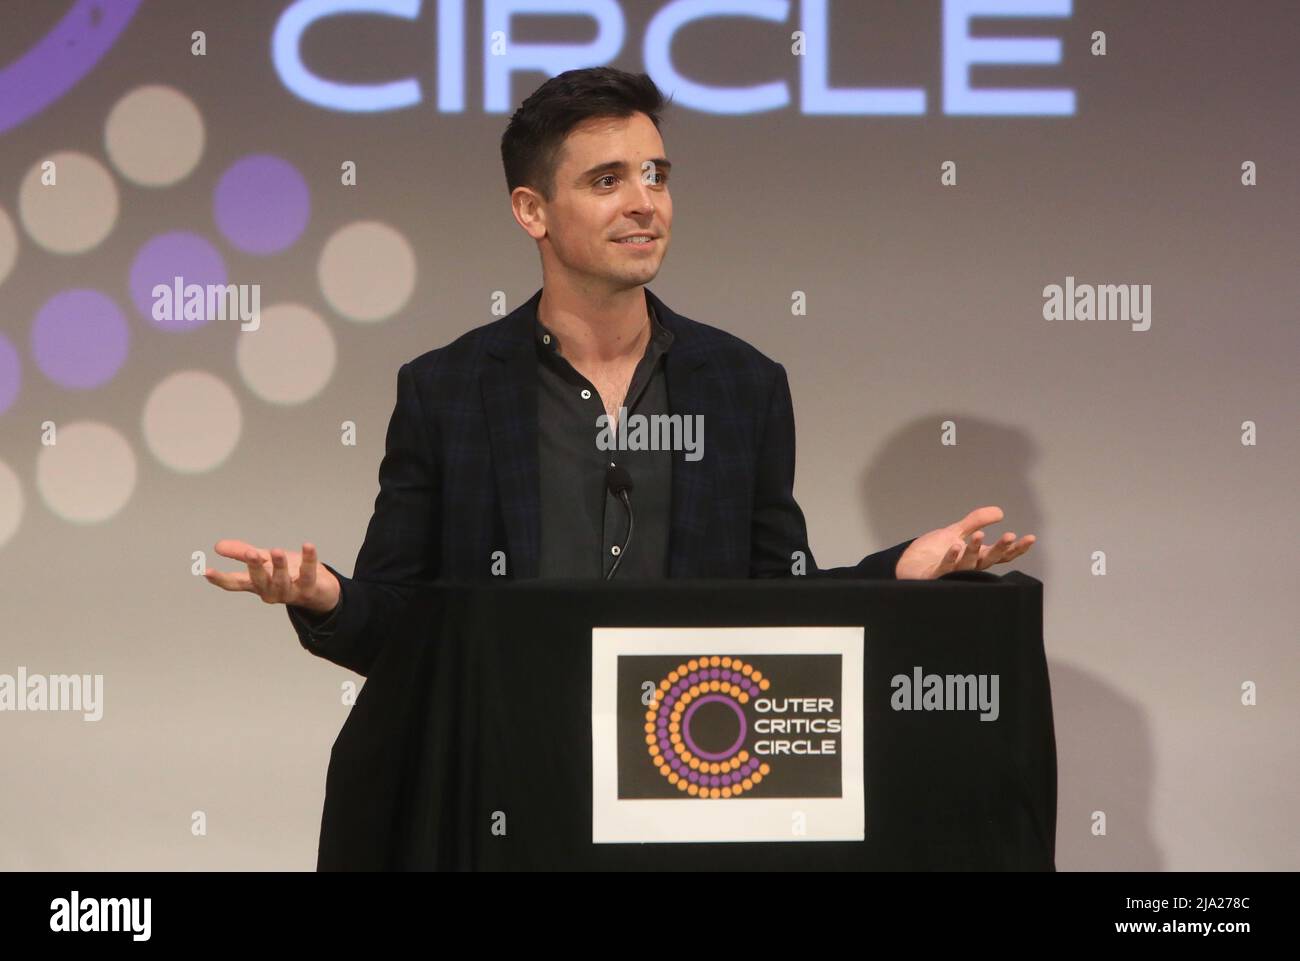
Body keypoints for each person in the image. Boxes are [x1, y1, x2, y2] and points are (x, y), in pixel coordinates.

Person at [204, 67, 1035, 676]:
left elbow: (776, 602)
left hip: (685, 777)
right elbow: (397, 622)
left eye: (657, 175)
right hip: (507, 781)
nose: (646, 202)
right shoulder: (448, 390)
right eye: (608, 180)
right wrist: (324, 595)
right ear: (532, 210)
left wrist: (897, 572)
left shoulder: (742, 384)